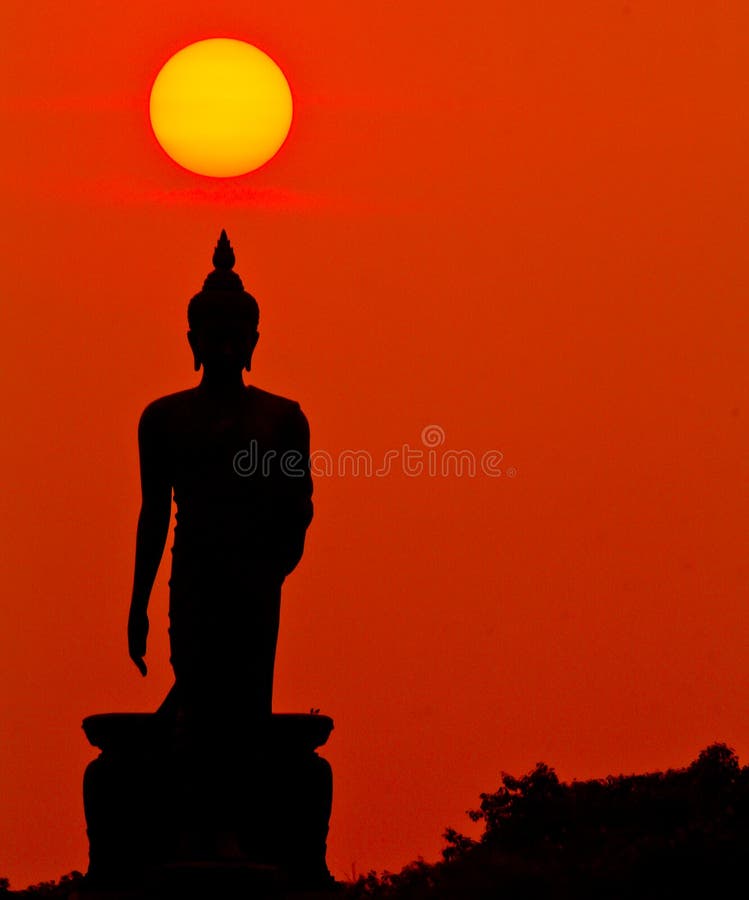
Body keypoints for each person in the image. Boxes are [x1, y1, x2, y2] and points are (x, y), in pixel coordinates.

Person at [126, 231, 313, 853]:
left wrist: (268, 568)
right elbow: (155, 514)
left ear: (255, 342)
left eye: (238, 336)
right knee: (199, 694)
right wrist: (138, 604)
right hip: (195, 573)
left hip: (254, 578)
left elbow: (298, 507)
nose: (227, 347)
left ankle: (238, 829)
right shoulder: (164, 419)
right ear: (193, 342)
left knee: (246, 701)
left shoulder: (282, 419)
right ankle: (194, 827)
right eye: (214, 336)